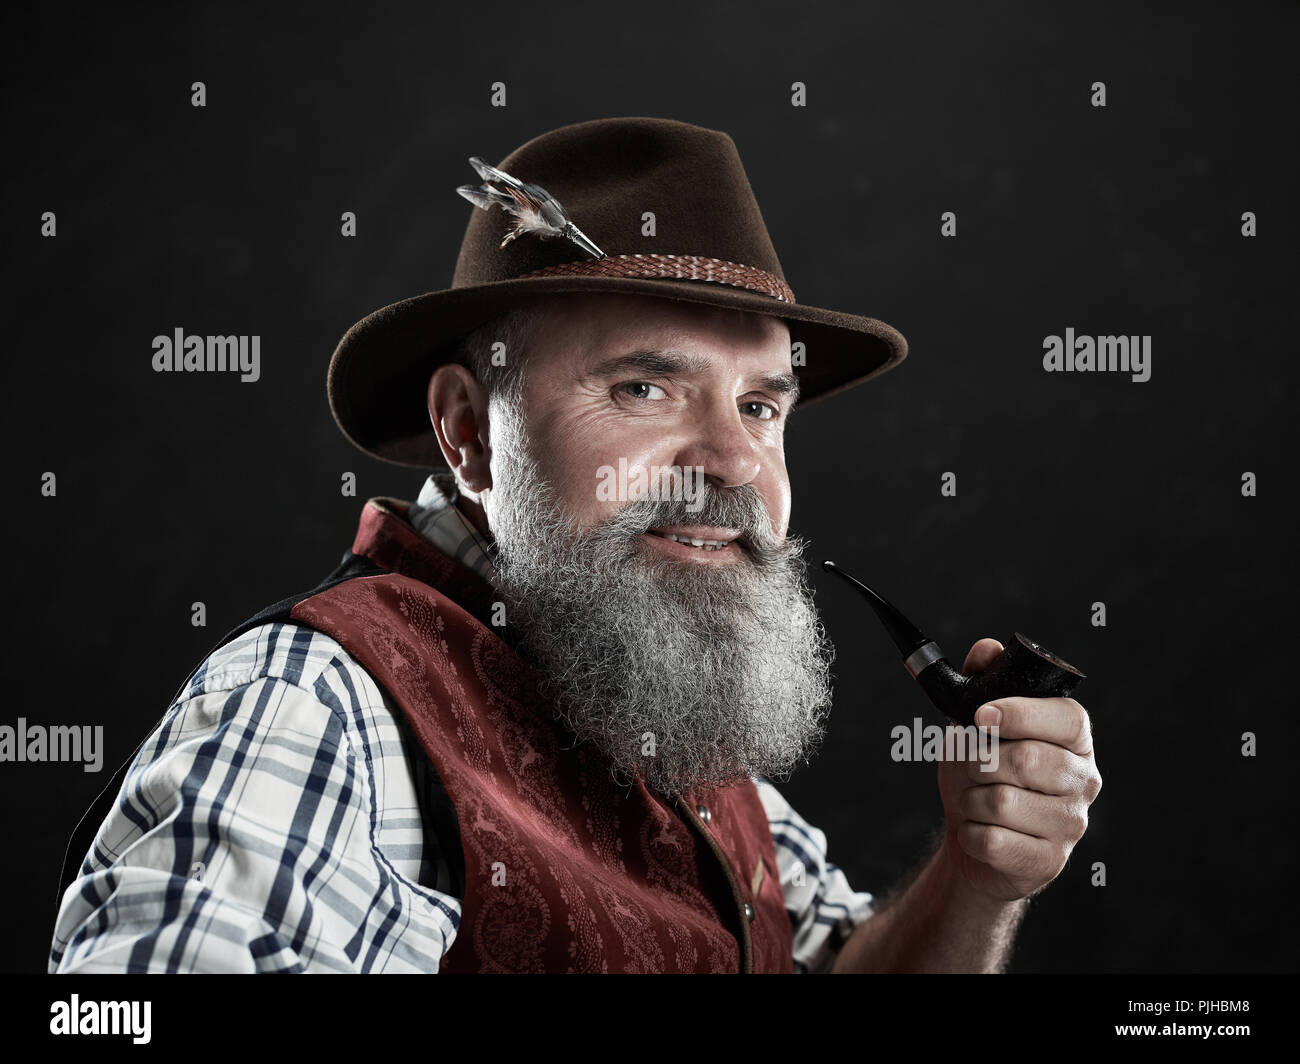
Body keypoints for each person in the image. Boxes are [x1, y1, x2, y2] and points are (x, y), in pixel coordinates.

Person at [50, 117, 1101, 974]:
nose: (734, 463)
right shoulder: (316, 710)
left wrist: (973, 877)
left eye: (761, 404)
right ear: (469, 434)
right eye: (644, 387)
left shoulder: (662, 704)